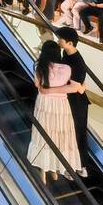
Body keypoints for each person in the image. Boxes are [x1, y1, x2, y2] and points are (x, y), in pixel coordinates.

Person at [27, 39, 81, 184]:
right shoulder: (67, 68)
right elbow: (73, 87)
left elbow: (37, 84)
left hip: (44, 103)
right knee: (60, 134)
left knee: (43, 133)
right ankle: (55, 170)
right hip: (61, 105)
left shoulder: (40, 66)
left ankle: (43, 171)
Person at [56, 27, 91, 175]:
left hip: (77, 102)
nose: (58, 41)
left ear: (69, 43)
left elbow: (75, 87)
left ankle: (81, 167)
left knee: (77, 133)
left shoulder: (77, 62)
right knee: (69, 133)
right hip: (71, 99)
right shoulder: (66, 53)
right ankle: (74, 166)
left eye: (60, 39)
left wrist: (52, 90)